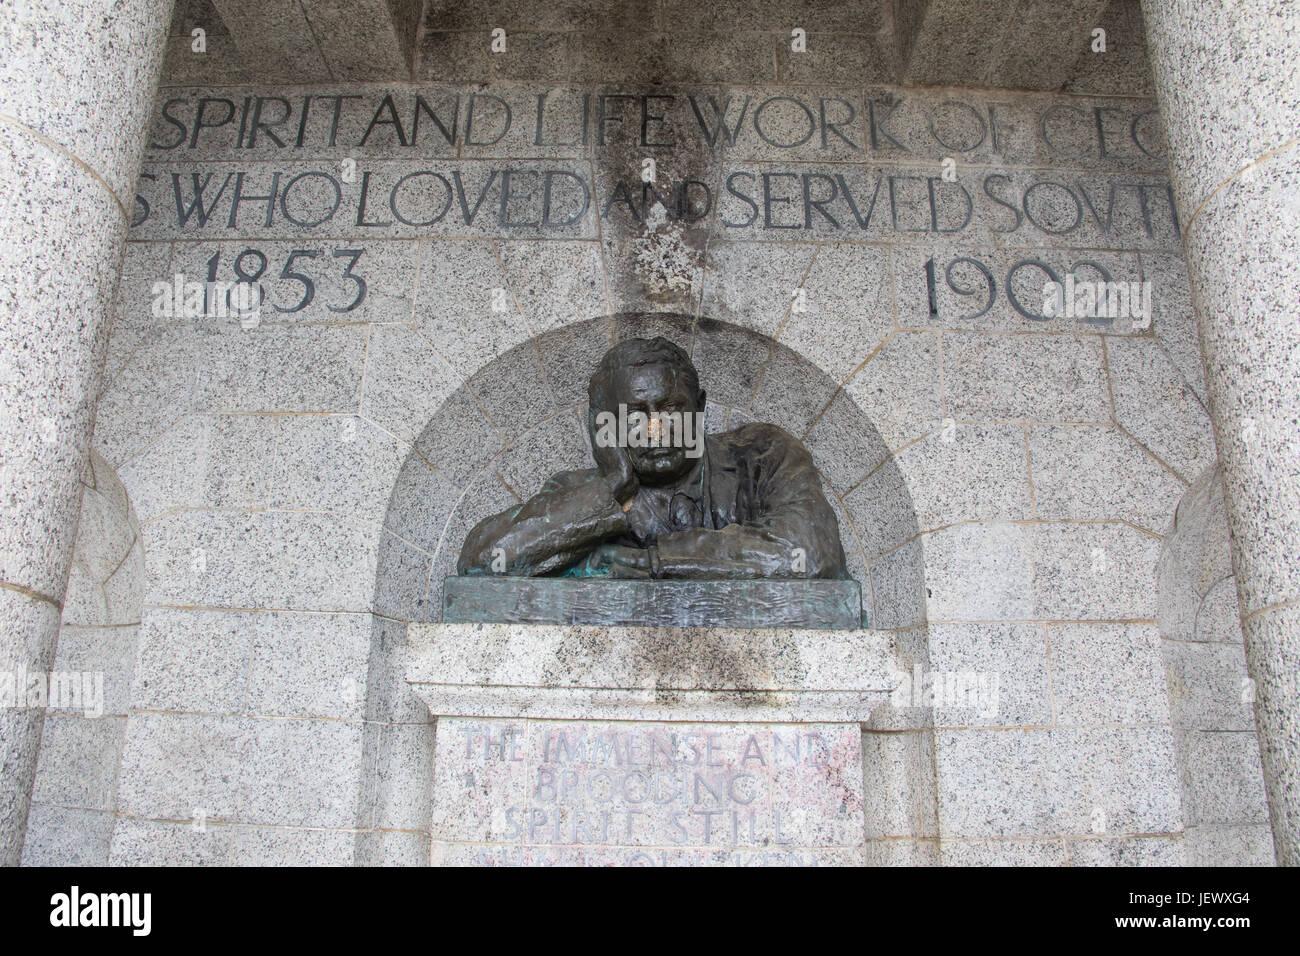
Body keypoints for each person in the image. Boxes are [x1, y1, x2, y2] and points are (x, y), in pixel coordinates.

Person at [458, 337, 846, 579]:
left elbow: (812, 553)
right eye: (635, 415)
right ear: (603, 425)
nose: (657, 429)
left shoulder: (761, 457)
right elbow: (482, 562)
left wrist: (650, 563)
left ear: (700, 408)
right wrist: (612, 487)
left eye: (671, 408)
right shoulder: (578, 495)